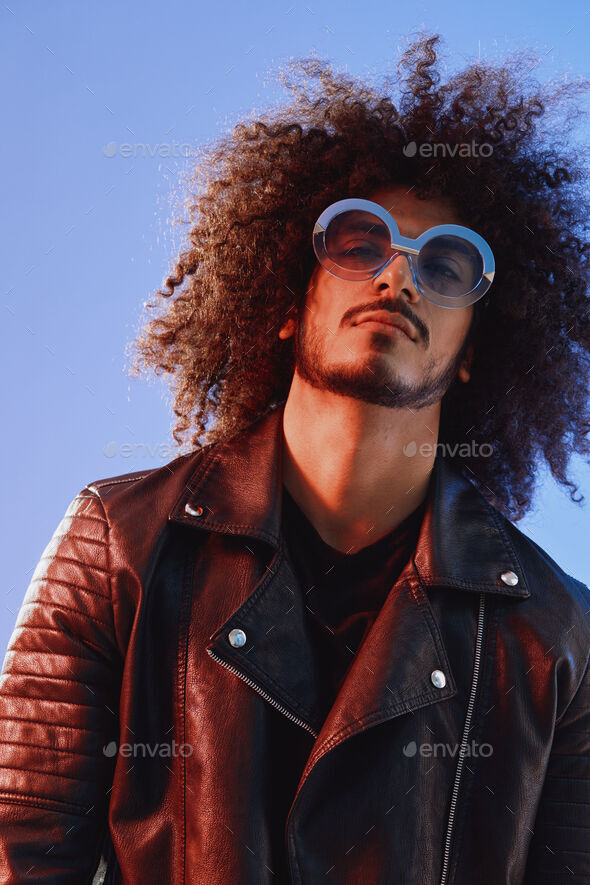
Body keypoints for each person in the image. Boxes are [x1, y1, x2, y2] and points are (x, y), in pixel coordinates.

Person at [1, 33, 590, 885]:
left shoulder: (558, 636)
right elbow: (20, 856)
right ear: (287, 298)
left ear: (474, 350)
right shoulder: (118, 545)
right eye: (359, 243)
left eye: (446, 264)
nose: (398, 278)